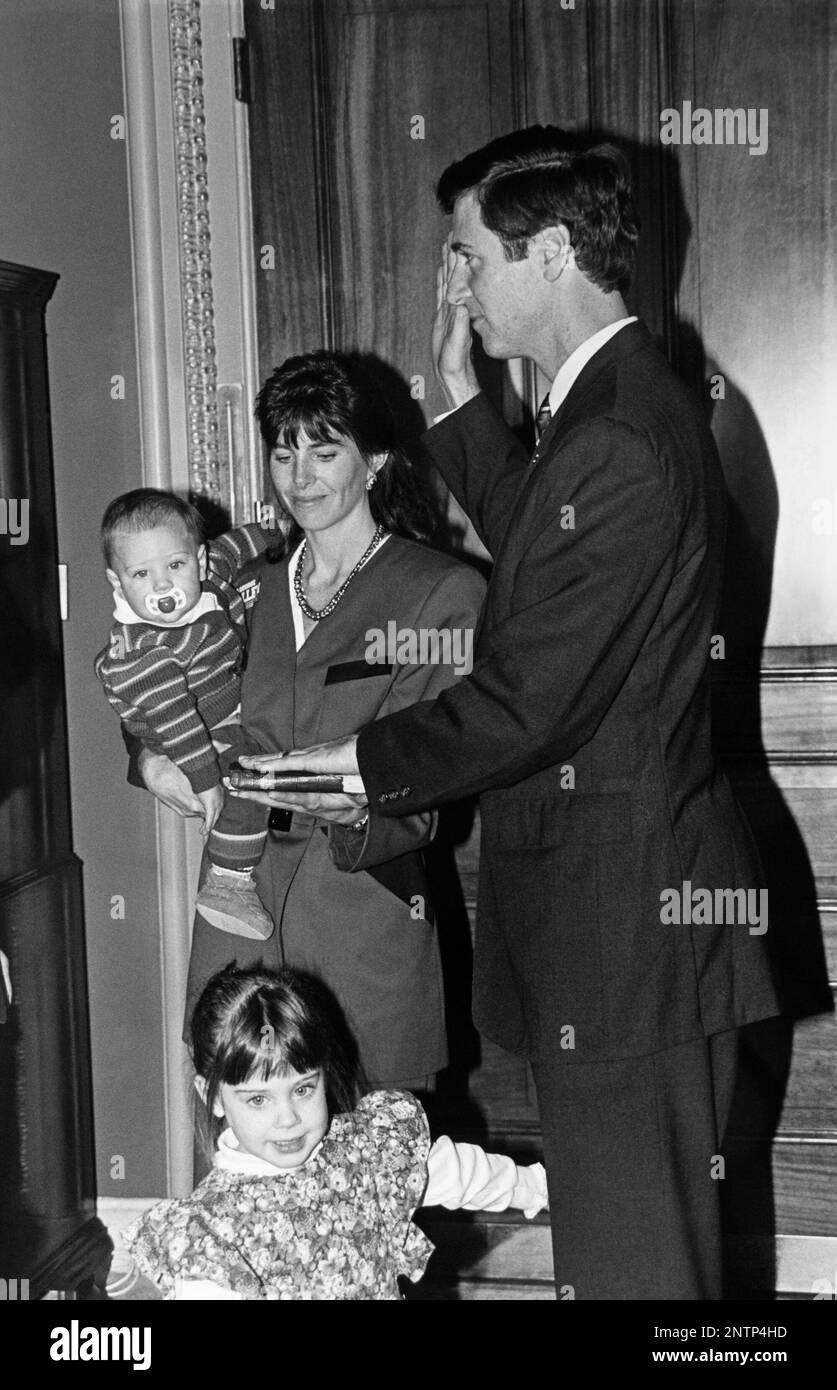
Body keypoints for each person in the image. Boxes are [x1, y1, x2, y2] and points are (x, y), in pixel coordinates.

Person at [239, 128, 782, 1300]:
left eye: (469, 257)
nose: (459, 284)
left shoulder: (623, 432)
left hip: (628, 929)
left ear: (545, 259)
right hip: (624, 922)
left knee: (639, 1268)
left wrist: (364, 763)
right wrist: (455, 394)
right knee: (632, 1254)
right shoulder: (612, 409)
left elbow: (534, 691)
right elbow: (549, 542)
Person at [135, 351, 486, 1090]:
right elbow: (153, 661)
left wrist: (352, 800)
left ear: (377, 461)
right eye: (283, 452)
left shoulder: (439, 593)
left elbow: (432, 773)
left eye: (324, 453)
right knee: (243, 1152)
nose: (299, 478)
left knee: (369, 1167)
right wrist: (145, 755)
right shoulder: (243, 582)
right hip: (237, 905)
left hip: (360, 909)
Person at [116, 963, 547, 1300]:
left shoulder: (364, 1151)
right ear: (212, 1097)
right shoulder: (211, 1229)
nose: (288, 1118)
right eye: (258, 1099)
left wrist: (535, 1187)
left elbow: (457, 1173)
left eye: (303, 1089)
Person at [95, 488, 279, 939]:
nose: (162, 586)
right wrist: (205, 782)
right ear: (118, 583)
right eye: (140, 574)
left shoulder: (208, 572)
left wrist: (276, 535)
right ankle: (228, 882)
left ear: (197, 558)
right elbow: (177, 719)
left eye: (175, 566)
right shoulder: (143, 650)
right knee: (243, 770)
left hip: (213, 697)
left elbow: (233, 547)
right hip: (174, 723)